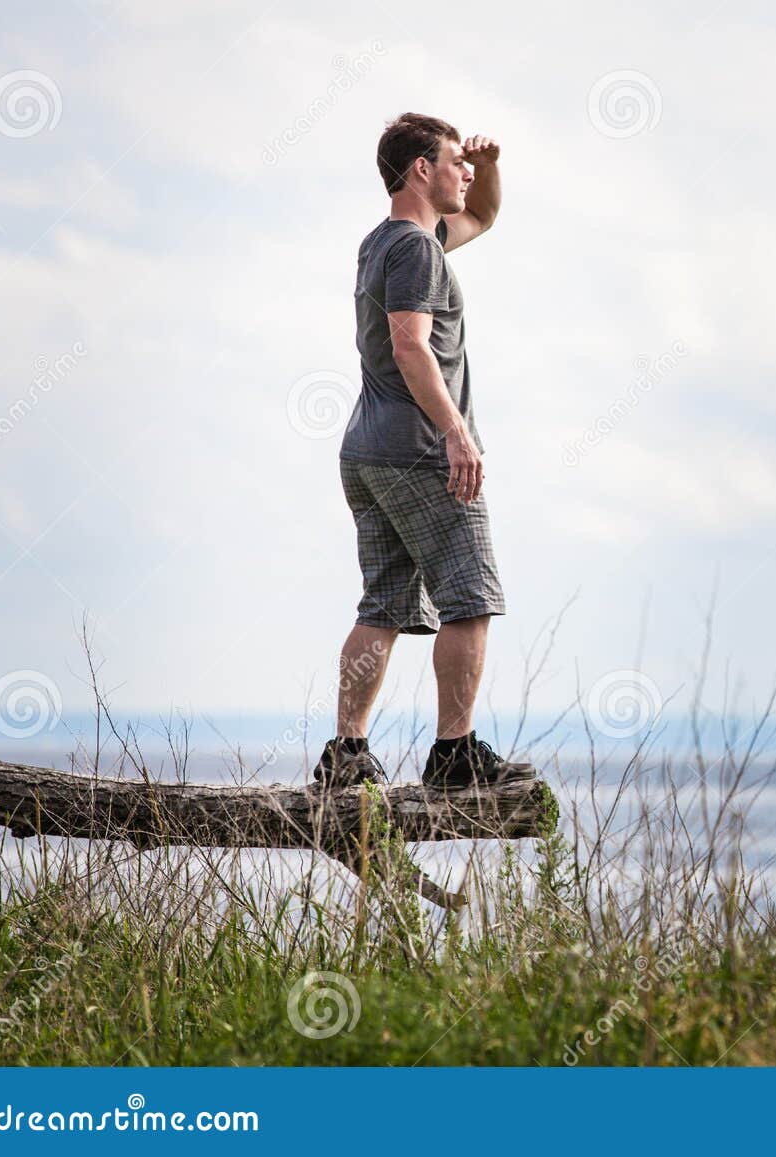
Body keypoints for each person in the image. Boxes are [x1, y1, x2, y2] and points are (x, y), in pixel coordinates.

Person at [312, 111, 526, 791]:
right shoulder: (417, 251)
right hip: (419, 451)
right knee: (470, 599)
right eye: (455, 161)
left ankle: (346, 754)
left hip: (368, 452)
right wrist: (456, 431)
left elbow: (484, 217)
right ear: (421, 171)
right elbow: (410, 344)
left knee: (383, 605)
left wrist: (487, 166)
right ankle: (454, 755)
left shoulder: (388, 241)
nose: (465, 172)